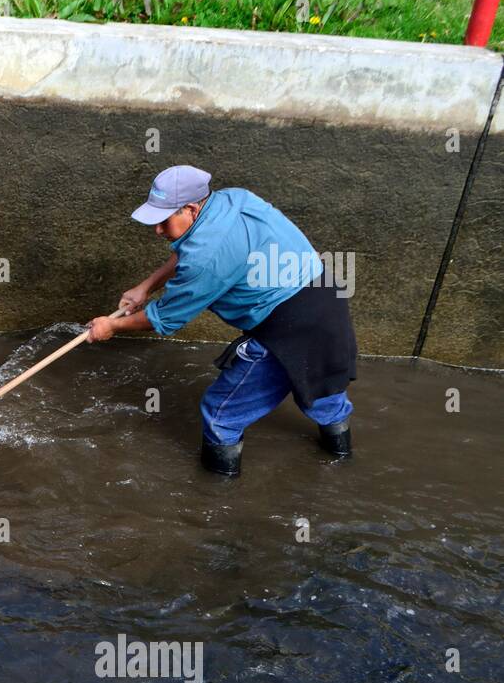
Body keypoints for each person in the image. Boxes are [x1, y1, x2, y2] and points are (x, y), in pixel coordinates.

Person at [86, 165, 357, 477]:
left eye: (163, 220)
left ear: (190, 208)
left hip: (287, 328)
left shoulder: (206, 259)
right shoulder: (233, 199)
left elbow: (166, 319)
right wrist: (145, 287)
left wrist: (112, 326)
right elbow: (190, 249)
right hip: (327, 298)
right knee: (323, 392)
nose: (157, 230)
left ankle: (216, 501)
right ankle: (344, 463)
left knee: (220, 413)